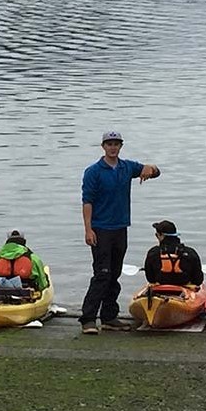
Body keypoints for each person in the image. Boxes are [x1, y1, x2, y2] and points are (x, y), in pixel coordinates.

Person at [79, 130, 161, 334]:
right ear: (103, 146)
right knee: (102, 274)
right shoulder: (93, 171)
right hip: (100, 229)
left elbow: (156, 171)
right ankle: (88, 318)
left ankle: (109, 317)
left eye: (116, 144)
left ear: (120, 146)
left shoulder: (127, 167)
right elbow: (87, 202)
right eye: (109, 144)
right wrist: (88, 230)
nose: (113, 147)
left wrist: (149, 170)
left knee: (114, 274)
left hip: (120, 228)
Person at [144, 220, 204, 287]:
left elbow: (150, 279)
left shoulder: (153, 253)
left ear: (161, 235)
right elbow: (198, 280)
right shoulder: (190, 253)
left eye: (156, 235)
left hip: (160, 289)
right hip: (185, 290)